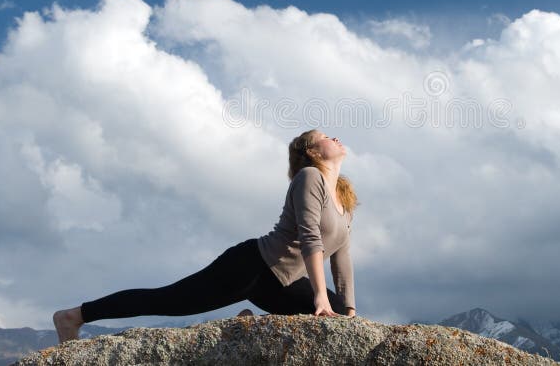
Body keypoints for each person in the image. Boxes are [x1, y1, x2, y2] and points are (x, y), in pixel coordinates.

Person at [52, 129, 358, 343]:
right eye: (325, 137)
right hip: (250, 267)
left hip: (284, 283)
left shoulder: (344, 197)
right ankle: (75, 316)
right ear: (313, 152)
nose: (334, 137)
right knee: (168, 300)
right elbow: (309, 238)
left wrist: (349, 310)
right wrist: (319, 295)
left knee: (338, 322)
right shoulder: (310, 177)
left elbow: (341, 257)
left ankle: (246, 327)